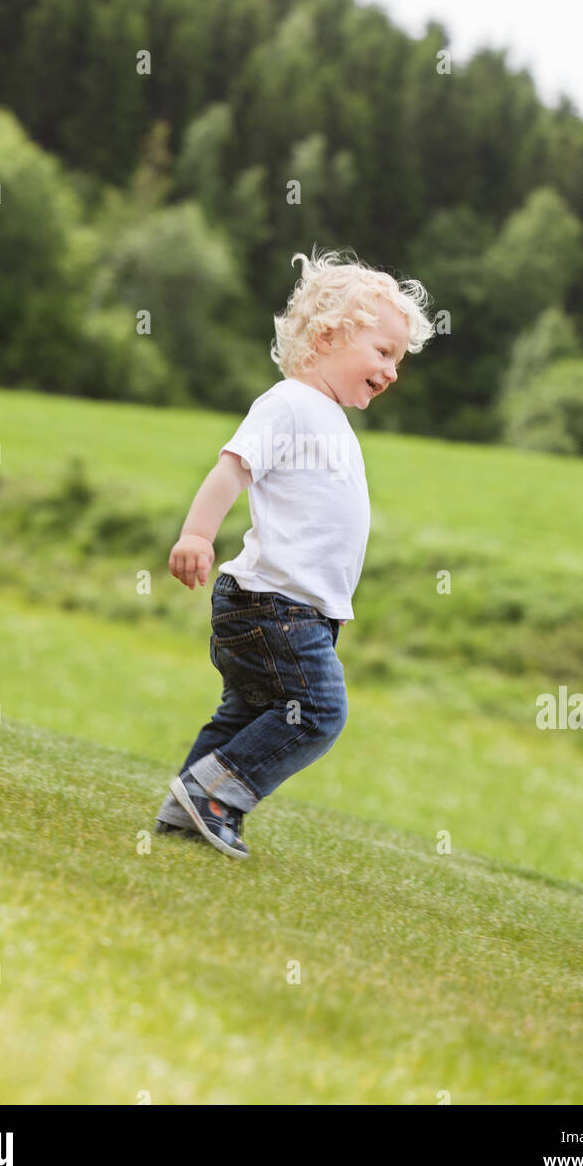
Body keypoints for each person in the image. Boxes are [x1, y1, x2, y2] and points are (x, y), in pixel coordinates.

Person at [156, 246, 435, 858]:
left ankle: (187, 811)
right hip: (274, 607)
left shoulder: (328, 417)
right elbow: (233, 467)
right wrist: (197, 534)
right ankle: (214, 798)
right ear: (330, 335)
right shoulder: (289, 404)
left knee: (247, 713)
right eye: (383, 352)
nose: (391, 371)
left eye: (398, 361)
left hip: (294, 610)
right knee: (317, 712)